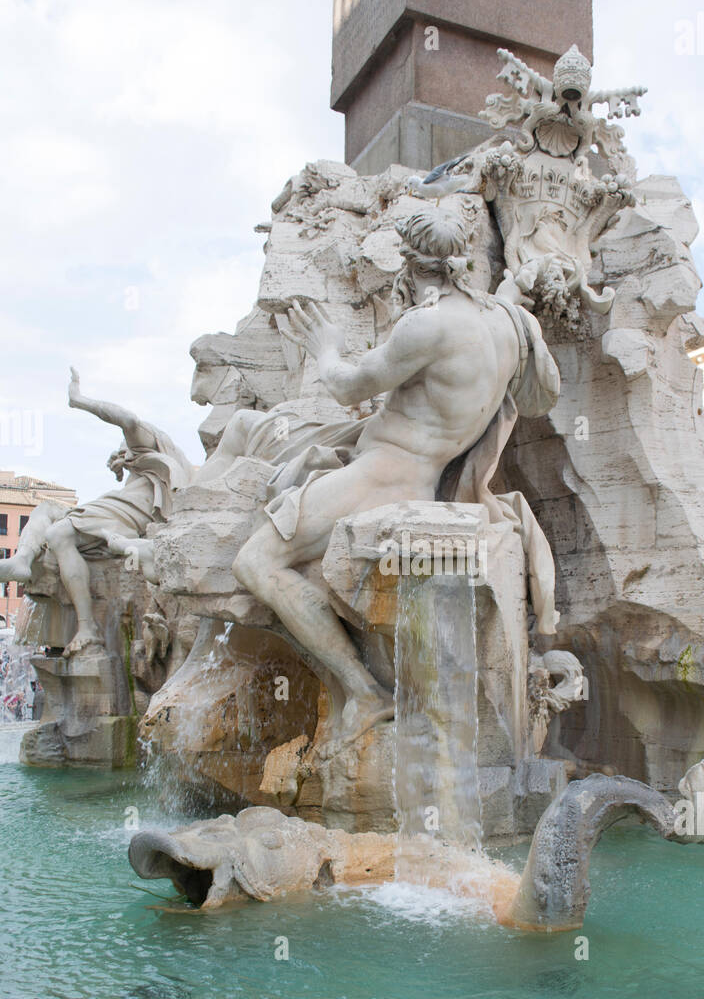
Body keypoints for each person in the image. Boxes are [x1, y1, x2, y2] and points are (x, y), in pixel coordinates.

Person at [231, 207, 560, 757]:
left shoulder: (426, 326)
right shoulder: (509, 324)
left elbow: (345, 384)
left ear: (410, 265)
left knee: (254, 561)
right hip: (423, 474)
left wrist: (326, 346)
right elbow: (532, 397)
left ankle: (363, 693)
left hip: (385, 477)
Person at [0, 370, 195, 654]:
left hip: (127, 517)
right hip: (114, 512)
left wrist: (79, 400)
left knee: (58, 533)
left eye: (123, 450)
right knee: (46, 508)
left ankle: (87, 627)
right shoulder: (143, 469)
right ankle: (23, 559)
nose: (120, 455)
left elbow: (127, 420)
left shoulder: (148, 441)